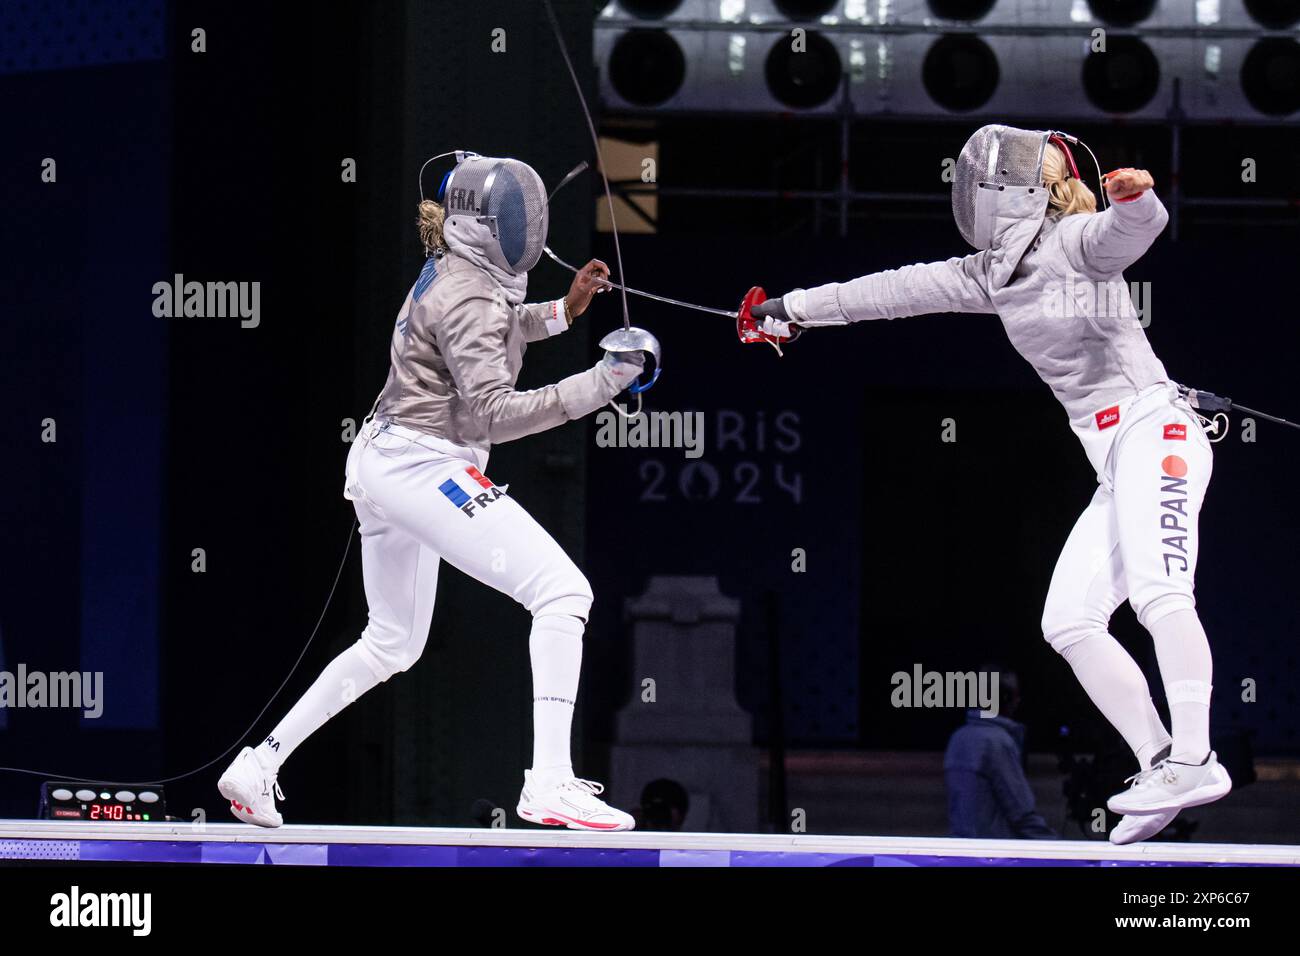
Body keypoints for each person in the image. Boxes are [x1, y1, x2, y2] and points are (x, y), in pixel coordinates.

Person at [754, 126, 1231, 845]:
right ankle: (1161, 760)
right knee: (1069, 620)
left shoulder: (1074, 242)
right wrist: (787, 310)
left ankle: (1195, 756)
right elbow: (886, 293)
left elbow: (1129, 232)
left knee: (1161, 592)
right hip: (1116, 457)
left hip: (1155, 435)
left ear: (1020, 190)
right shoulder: (986, 275)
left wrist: (1138, 202)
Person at [218, 153, 645, 831]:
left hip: (388, 459)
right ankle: (549, 782)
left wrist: (564, 312)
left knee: (391, 642)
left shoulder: (462, 272)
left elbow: (498, 327)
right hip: (424, 463)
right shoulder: (468, 292)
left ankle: (258, 765)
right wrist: (604, 383)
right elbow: (494, 414)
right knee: (563, 593)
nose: (525, 228)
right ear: (485, 223)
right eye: (513, 217)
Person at [943, 669, 1056, 839]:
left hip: (964, 851)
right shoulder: (997, 742)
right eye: (1015, 696)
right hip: (994, 854)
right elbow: (1021, 813)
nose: (1018, 702)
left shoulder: (959, 737)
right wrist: (1059, 850)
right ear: (1006, 699)